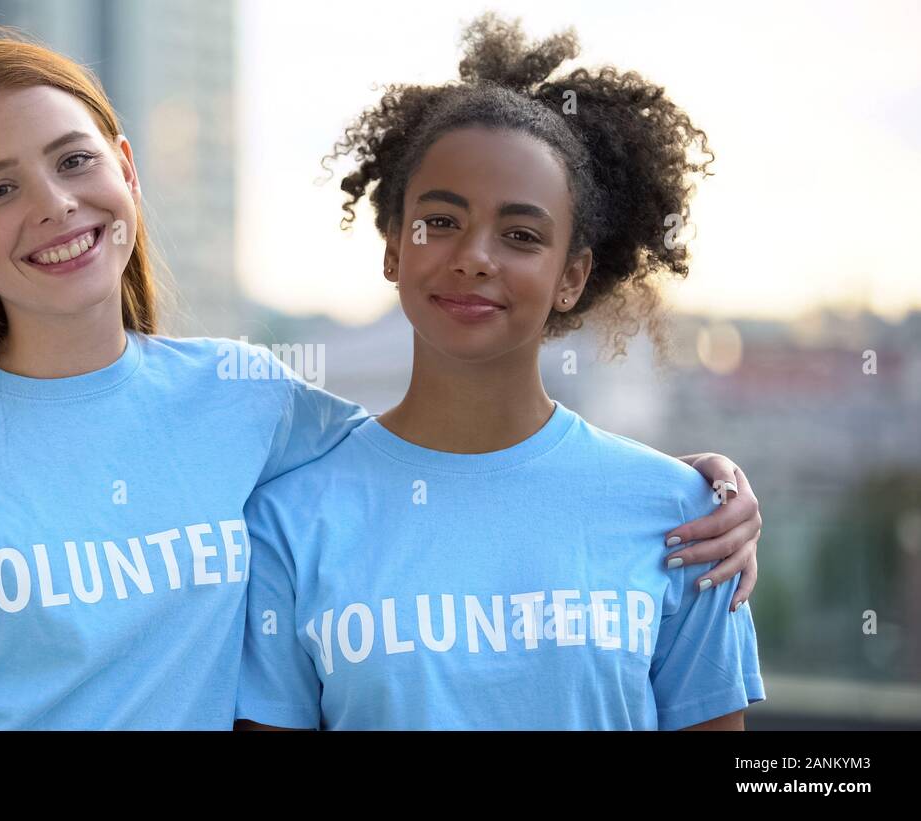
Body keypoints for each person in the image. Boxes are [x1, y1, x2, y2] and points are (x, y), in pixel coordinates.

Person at [0, 24, 761, 730]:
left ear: (126, 170)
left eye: (73, 162)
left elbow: (453, 441)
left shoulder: (245, 396)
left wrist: (698, 486)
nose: (55, 205)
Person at [235, 13, 764, 730]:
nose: (474, 257)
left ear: (572, 276)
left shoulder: (687, 521)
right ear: (393, 247)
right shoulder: (288, 522)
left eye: (520, 234)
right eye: (440, 222)